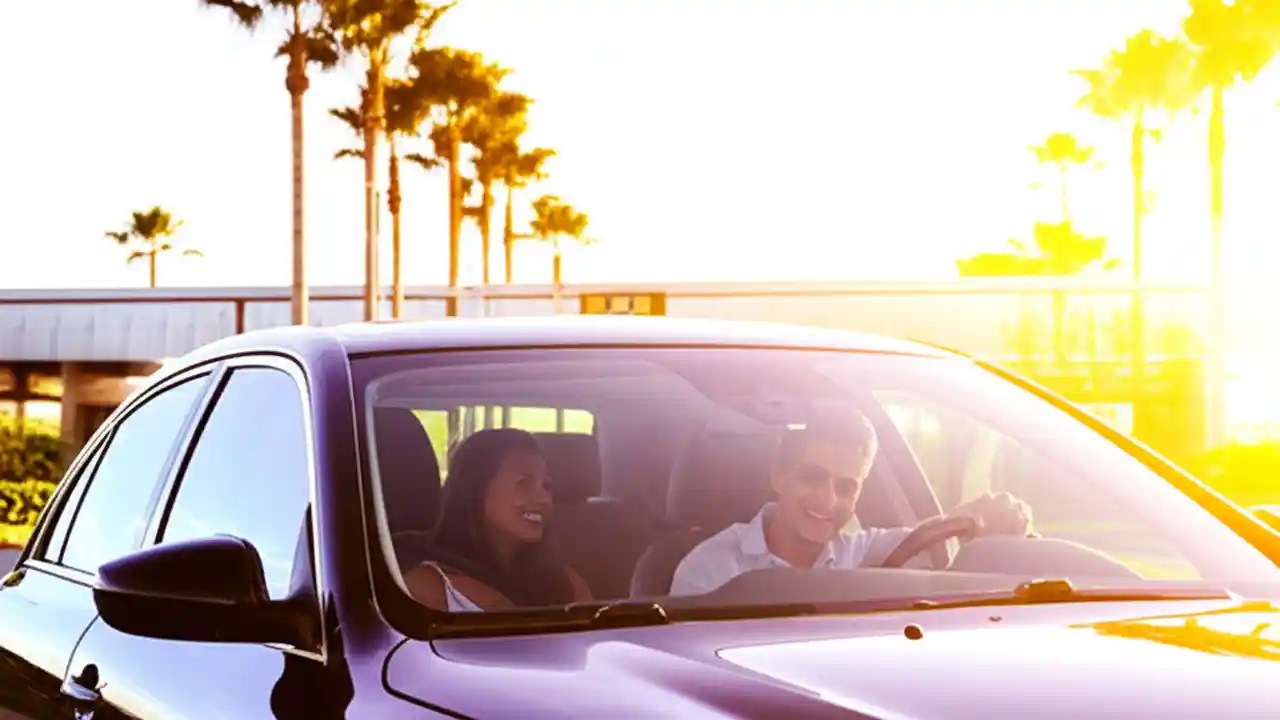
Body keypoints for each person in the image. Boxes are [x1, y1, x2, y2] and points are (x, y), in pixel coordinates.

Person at [669, 411, 1033, 596]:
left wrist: (991, 517)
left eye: (846, 488)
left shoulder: (867, 554)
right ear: (777, 477)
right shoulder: (710, 570)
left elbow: (941, 531)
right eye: (813, 478)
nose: (829, 501)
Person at [404, 428, 594, 611]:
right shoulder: (425, 589)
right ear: (477, 490)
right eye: (523, 483)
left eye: (547, 486)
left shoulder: (566, 583)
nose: (543, 499)